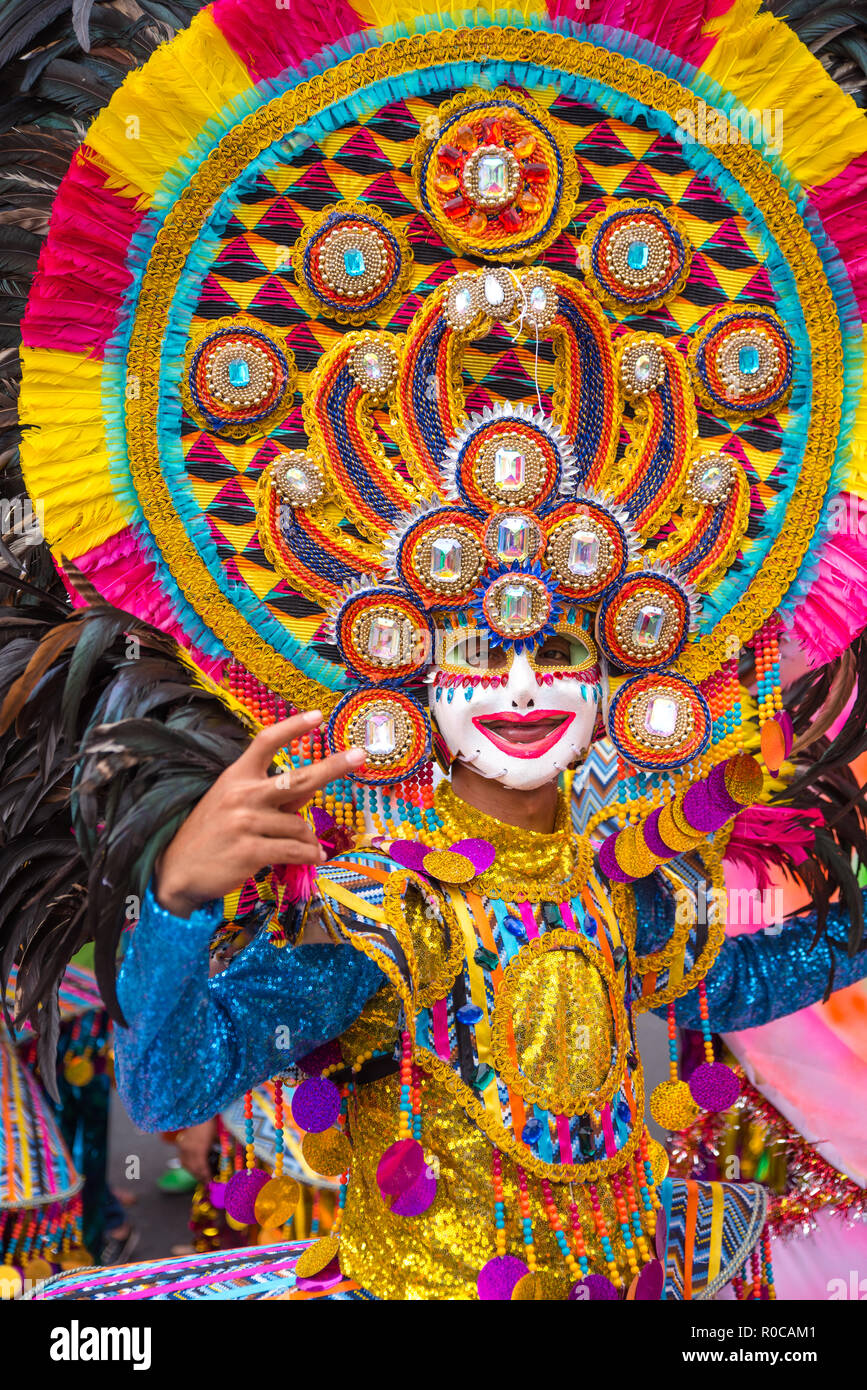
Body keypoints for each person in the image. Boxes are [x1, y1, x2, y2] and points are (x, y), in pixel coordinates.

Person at [1, 0, 867, 1303]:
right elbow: (176, 1079)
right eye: (481, 652)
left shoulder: (618, 895)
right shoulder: (385, 932)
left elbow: (782, 963)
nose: (523, 684)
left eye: (555, 649)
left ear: (625, 672)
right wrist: (179, 898)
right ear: (406, 677)